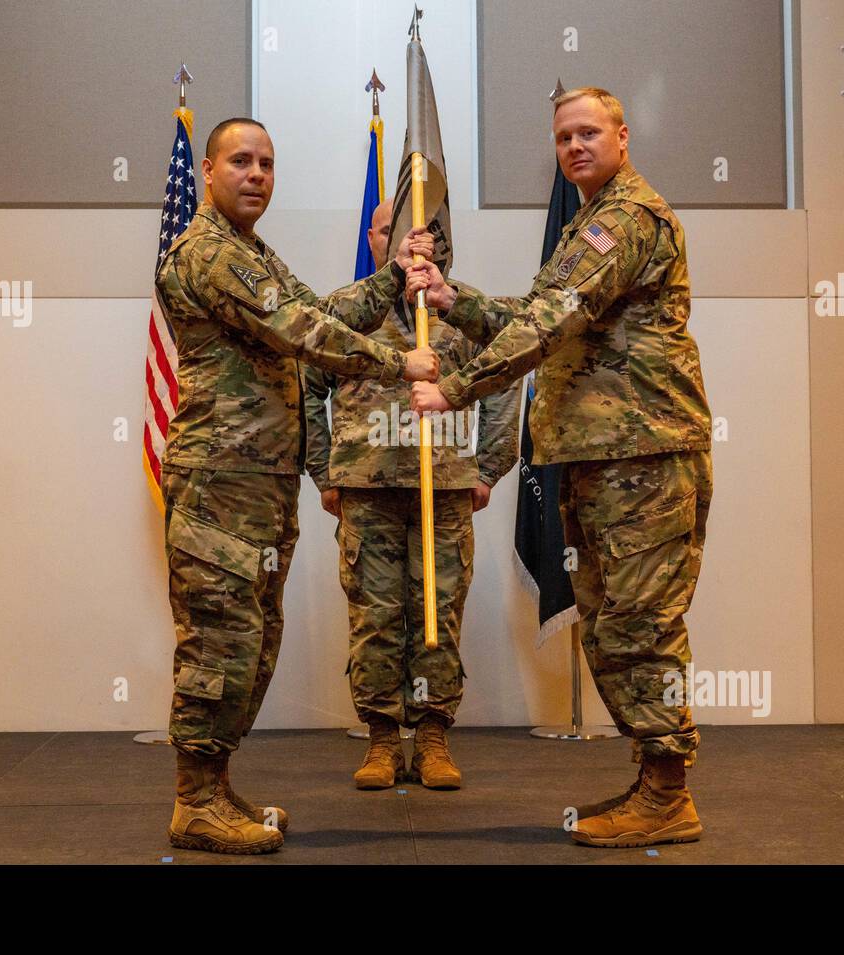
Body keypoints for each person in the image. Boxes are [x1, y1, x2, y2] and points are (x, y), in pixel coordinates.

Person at [408, 88, 713, 848]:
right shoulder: (589, 222)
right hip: (598, 460)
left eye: (588, 133)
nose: (575, 146)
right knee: (610, 627)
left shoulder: (628, 218)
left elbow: (550, 321)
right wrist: (454, 301)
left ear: (623, 135)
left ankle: (669, 789)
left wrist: (454, 386)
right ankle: (655, 780)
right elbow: (543, 308)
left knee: (642, 625)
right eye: (563, 137)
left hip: (643, 459)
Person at [154, 117, 438, 854]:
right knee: (219, 640)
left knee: (251, 638)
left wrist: (389, 281)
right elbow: (300, 332)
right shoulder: (210, 252)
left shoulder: (252, 252)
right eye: (240, 161)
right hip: (220, 479)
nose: (256, 174)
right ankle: (193, 801)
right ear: (209, 171)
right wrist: (398, 364)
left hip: (259, 480)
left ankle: (214, 788)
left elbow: (320, 313)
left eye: (268, 163)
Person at [303, 201, 519, 790]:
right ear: (372, 240)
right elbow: (304, 386)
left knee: (437, 613)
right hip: (365, 489)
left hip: (445, 487)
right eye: (388, 231)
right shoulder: (346, 313)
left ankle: (431, 735)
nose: (408, 242)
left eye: (421, 233)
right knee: (375, 614)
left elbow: (505, 376)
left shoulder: (458, 308)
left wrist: (490, 468)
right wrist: (323, 472)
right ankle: (379, 738)